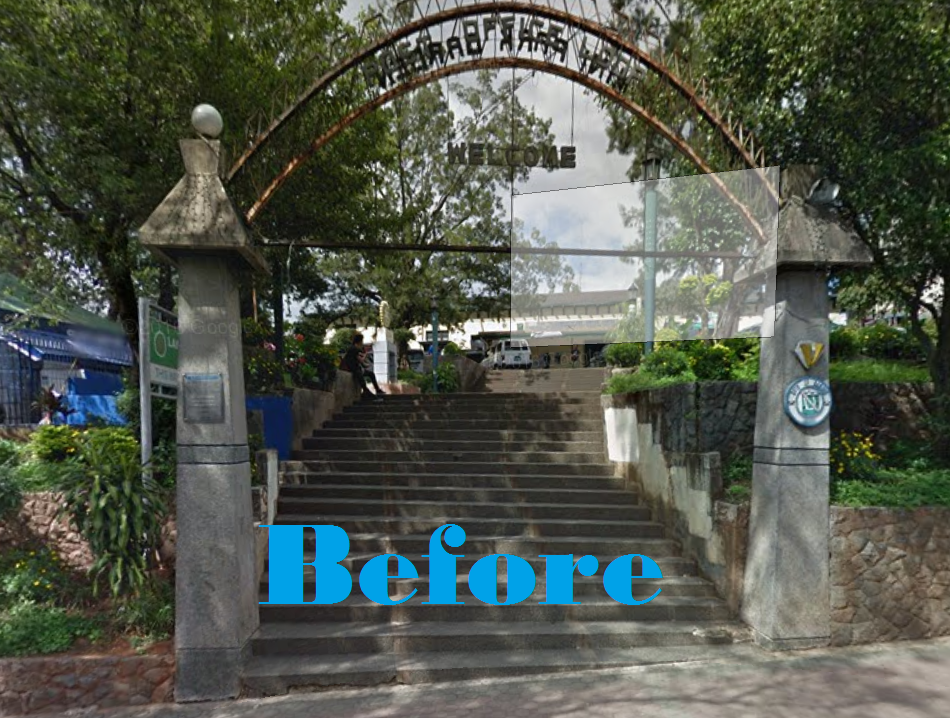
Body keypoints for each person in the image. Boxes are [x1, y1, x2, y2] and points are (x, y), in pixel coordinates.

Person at [342, 333, 383, 401]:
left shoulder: (353, 348)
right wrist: (365, 355)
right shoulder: (354, 349)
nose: (362, 343)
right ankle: (366, 391)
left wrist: (365, 364)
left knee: (370, 373)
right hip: (353, 369)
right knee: (361, 376)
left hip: (356, 368)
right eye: (362, 341)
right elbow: (361, 360)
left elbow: (361, 361)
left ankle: (376, 390)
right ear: (359, 341)